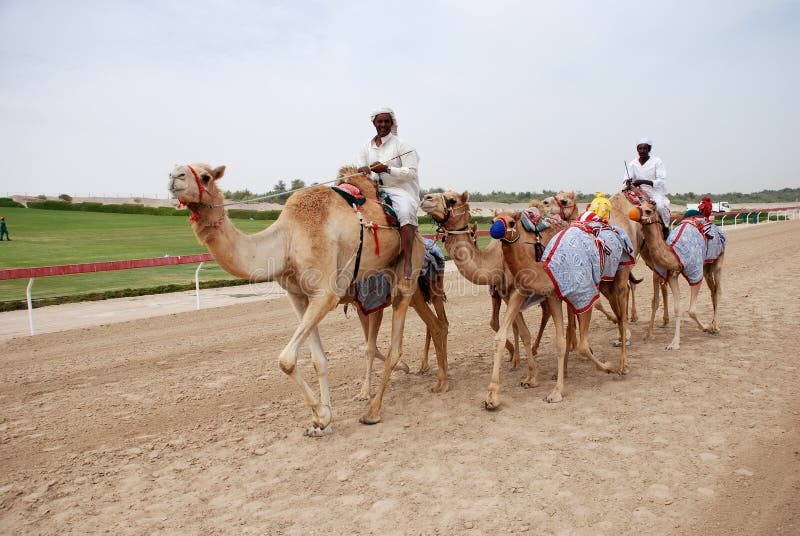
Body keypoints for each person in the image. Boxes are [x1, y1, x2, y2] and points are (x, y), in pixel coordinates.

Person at [355, 106, 420, 280]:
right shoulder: (365, 148)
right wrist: (362, 171)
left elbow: (412, 172)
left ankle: (407, 262)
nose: (383, 124)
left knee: (405, 212)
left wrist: (387, 169)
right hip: (374, 190)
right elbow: (361, 169)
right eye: (379, 121)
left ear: (391, 123)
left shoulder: (403, 146)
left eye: (386, 121)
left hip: (399, 191)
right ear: (374, 123)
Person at [624, 137, 670, 237]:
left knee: (660, 206)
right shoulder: (632, 164)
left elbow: (661, 180)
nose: (642, 151)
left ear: (649, 149)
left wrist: (643, 181)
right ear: (637, 149)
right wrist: (628, 182)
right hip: (638, 193)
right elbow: (626, 179)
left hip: (655, 192)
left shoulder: (657, 162)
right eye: (640, 148)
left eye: (645, 148)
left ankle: (665, 228)